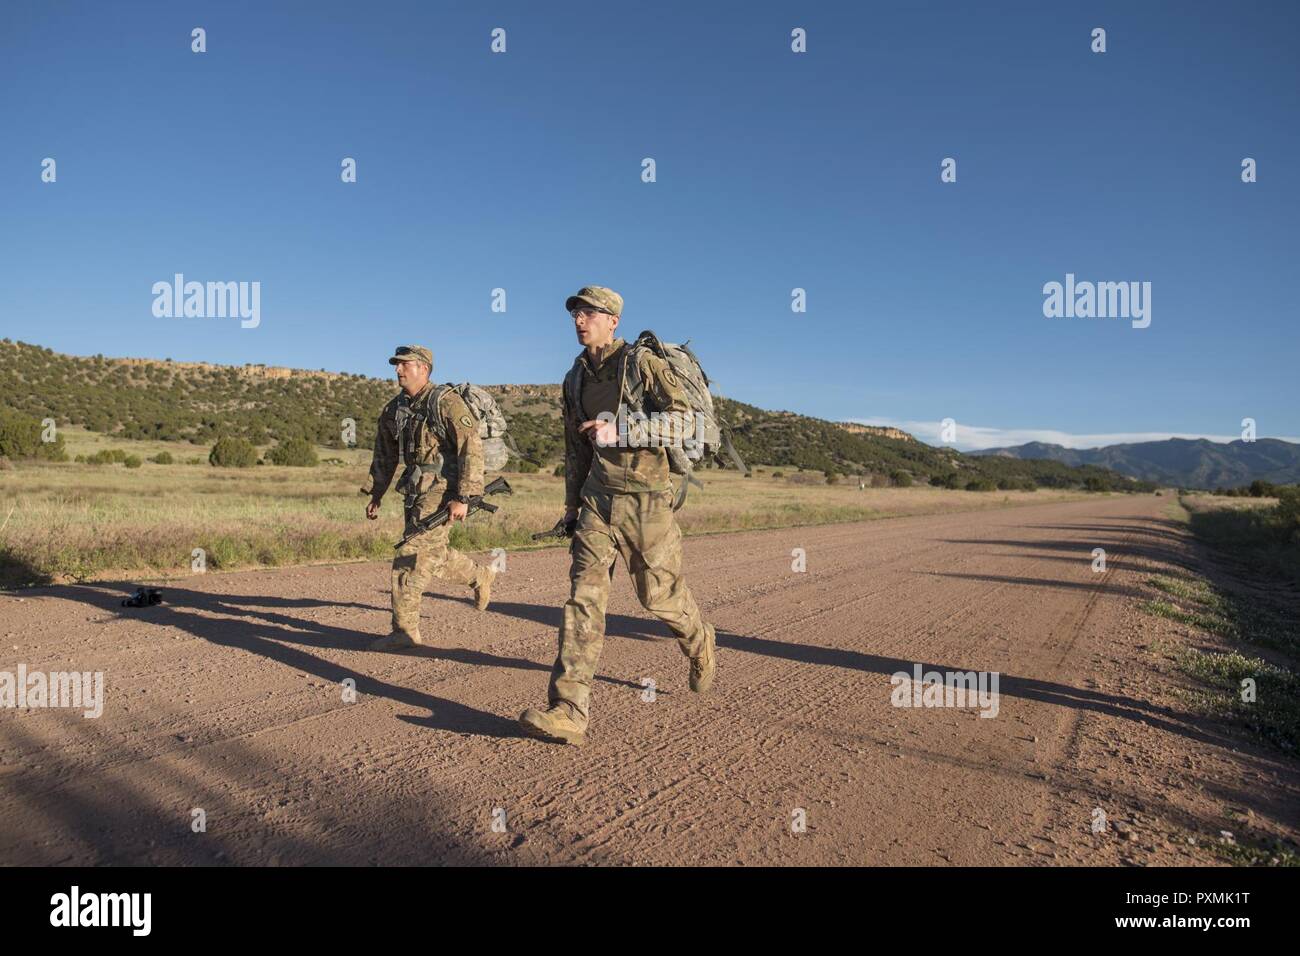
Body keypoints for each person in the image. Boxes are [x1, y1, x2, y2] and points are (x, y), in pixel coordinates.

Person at [519, 287, 716, 746]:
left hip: (647, 500)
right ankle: (569, 709)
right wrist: (571, 505)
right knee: (583, 600)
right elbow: (574, 448)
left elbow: (687, 421)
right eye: (575, 313)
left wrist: (623, 429)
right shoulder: (575, 377)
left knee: (658, 598)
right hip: (597, 501)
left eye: (589, 313)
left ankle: (699, 640)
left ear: (613, 320)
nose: (579, 320)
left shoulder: (642, 364)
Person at [362, 345, 496, 651]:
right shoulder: (394, 409)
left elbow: (470, 448)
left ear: (423, 368)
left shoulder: (446, 402)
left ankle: (404, 632)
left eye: (404, 365)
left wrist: (464, 495)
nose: (398, 370)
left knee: (409, 553)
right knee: (432, 556)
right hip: (413, 488)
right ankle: (479, 575)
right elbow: (384, 454)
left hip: (443, 489)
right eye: (396, 365)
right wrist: (376, 493)